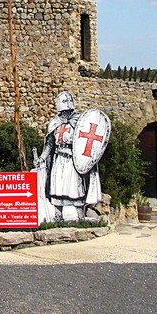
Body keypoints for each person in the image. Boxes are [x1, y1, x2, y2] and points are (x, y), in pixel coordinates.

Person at [35, 91, 102, 221]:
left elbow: (86, 141)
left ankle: (80, 217)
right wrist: (42, 158)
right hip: (58, 159)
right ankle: (58, 216)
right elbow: (49, 144)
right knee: (57, 187)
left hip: (73, 160)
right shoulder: (55, 122)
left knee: (75, 188)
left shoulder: (79, 121)